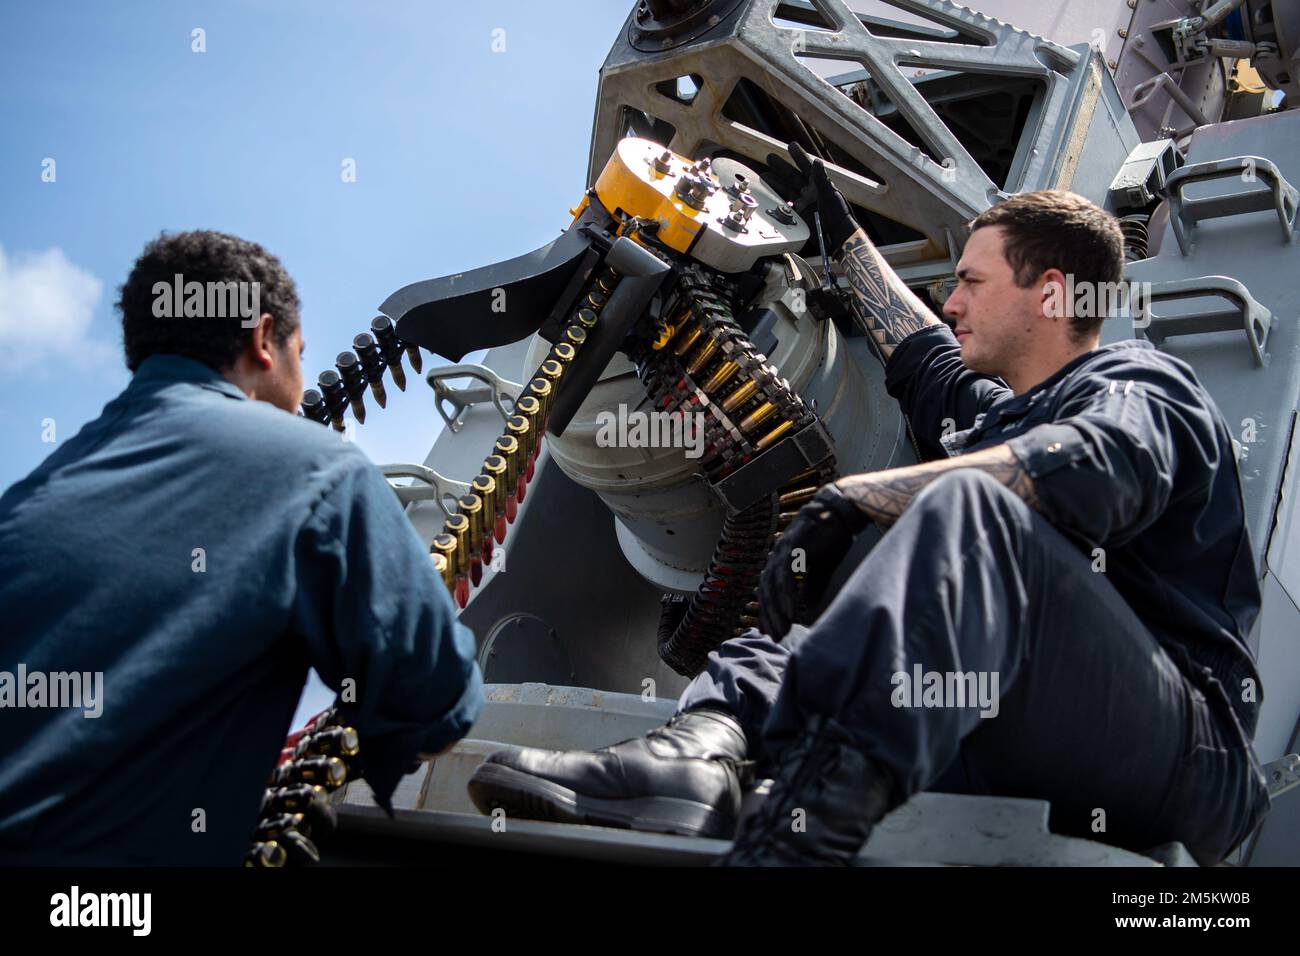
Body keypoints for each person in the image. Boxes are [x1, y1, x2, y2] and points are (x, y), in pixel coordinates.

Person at [466, 145, 1272, 866]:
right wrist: (839, 234)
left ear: (1051, 293)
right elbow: (920, 355)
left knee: (967, 509)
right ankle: (692, 762)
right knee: (780, 644)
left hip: (1184, 758)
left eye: (972, 282)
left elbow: (1087, 470)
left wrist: (857, 499)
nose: (952, 301)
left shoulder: (1140, 385)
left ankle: (798, 838)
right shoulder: (995, 416)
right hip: (1014, 724)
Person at [0, 230, 483, 865]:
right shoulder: (317, 471)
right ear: (263, 340)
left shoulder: (22, 503)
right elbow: (436, 702)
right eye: (299, 354)